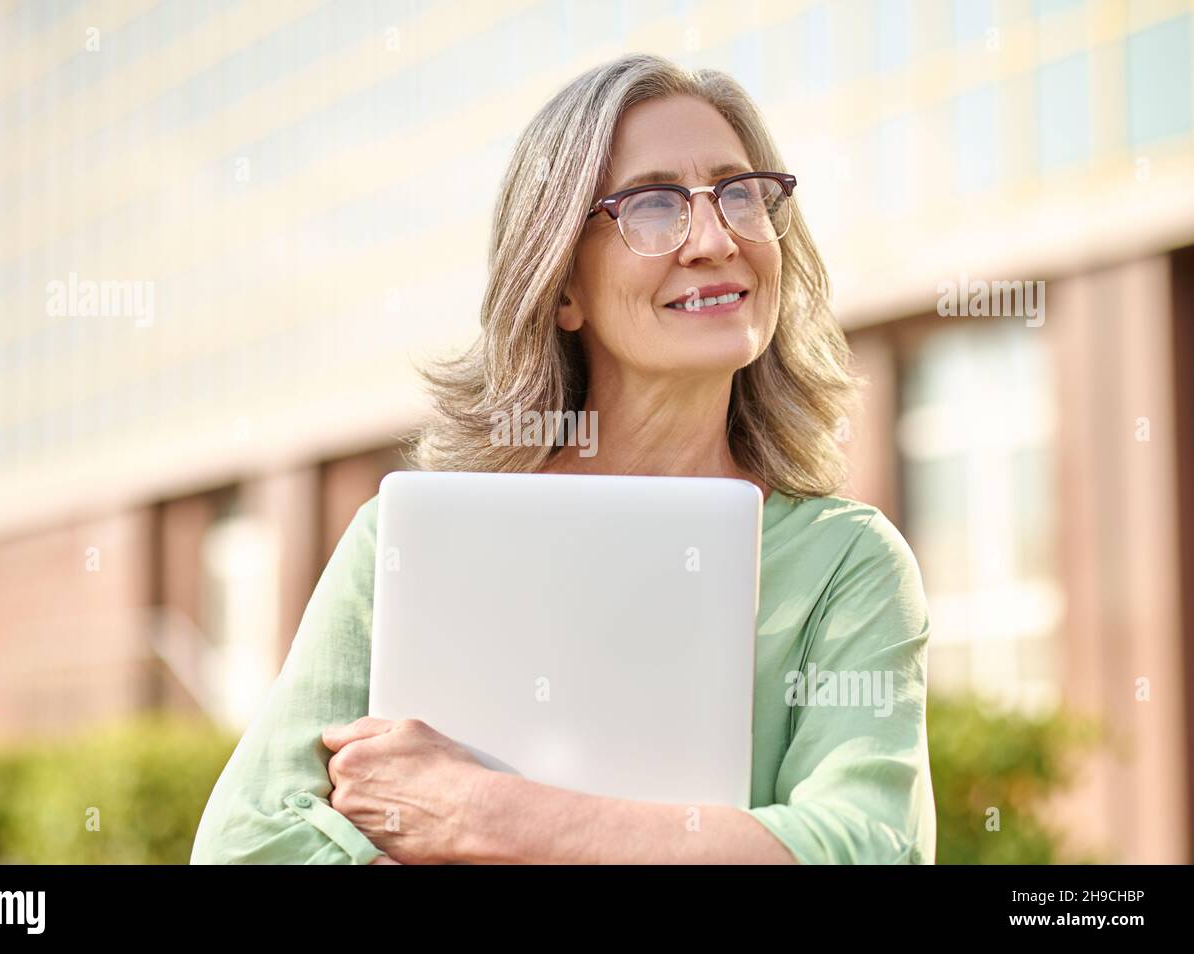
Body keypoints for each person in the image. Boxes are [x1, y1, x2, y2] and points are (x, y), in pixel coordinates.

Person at [190, 52, 935, 865]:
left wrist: (479, 815)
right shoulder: (408, 543)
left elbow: (868, 848)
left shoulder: (847, 563)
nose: (716, 239)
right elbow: (248, 847)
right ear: (563, 286)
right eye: (654, 206)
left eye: (739, 194)